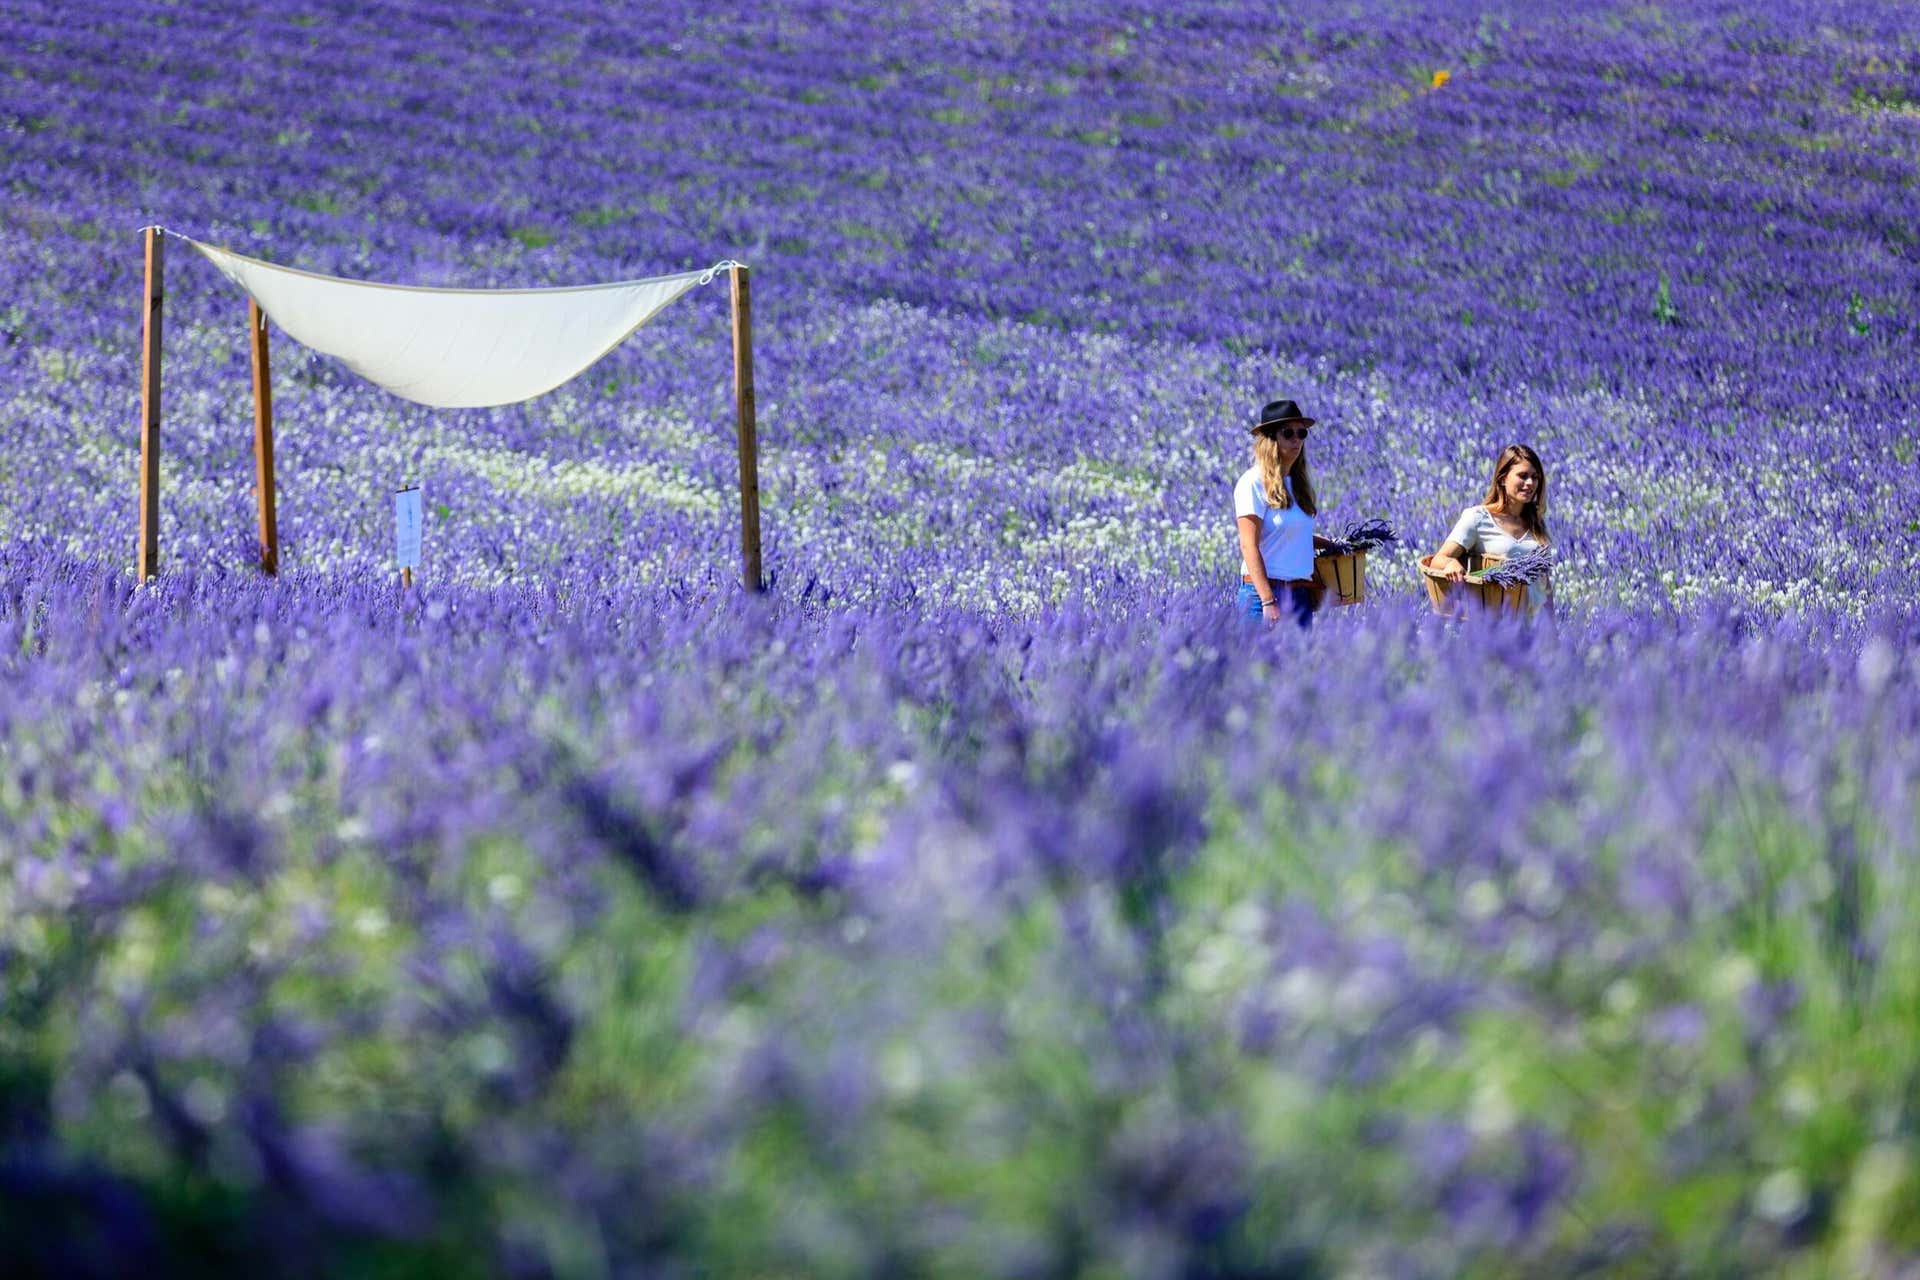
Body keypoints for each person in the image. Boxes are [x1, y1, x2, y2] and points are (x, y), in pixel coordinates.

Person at [1233, 399, 1331, 627]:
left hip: (1300, 596)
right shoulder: (1252, 483)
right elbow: (1249, 545)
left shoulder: (1299, 485)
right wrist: (1268, 601)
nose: (1297, 440)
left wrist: (1330, 544)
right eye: (1288, 433)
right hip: (1263, 596)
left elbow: (1288, 536)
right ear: (1270, 440)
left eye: (1302, 433)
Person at [1428, 443, 1550, 583]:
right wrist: (1450, 564)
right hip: (1495, 604)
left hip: (1535, 606)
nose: (1530, 483)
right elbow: (1438, 560)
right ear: (1502, 479)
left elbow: (1544, 585)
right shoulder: (1477, 518)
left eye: (1535, 477)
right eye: (1523, 476)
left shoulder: (1536, 522)